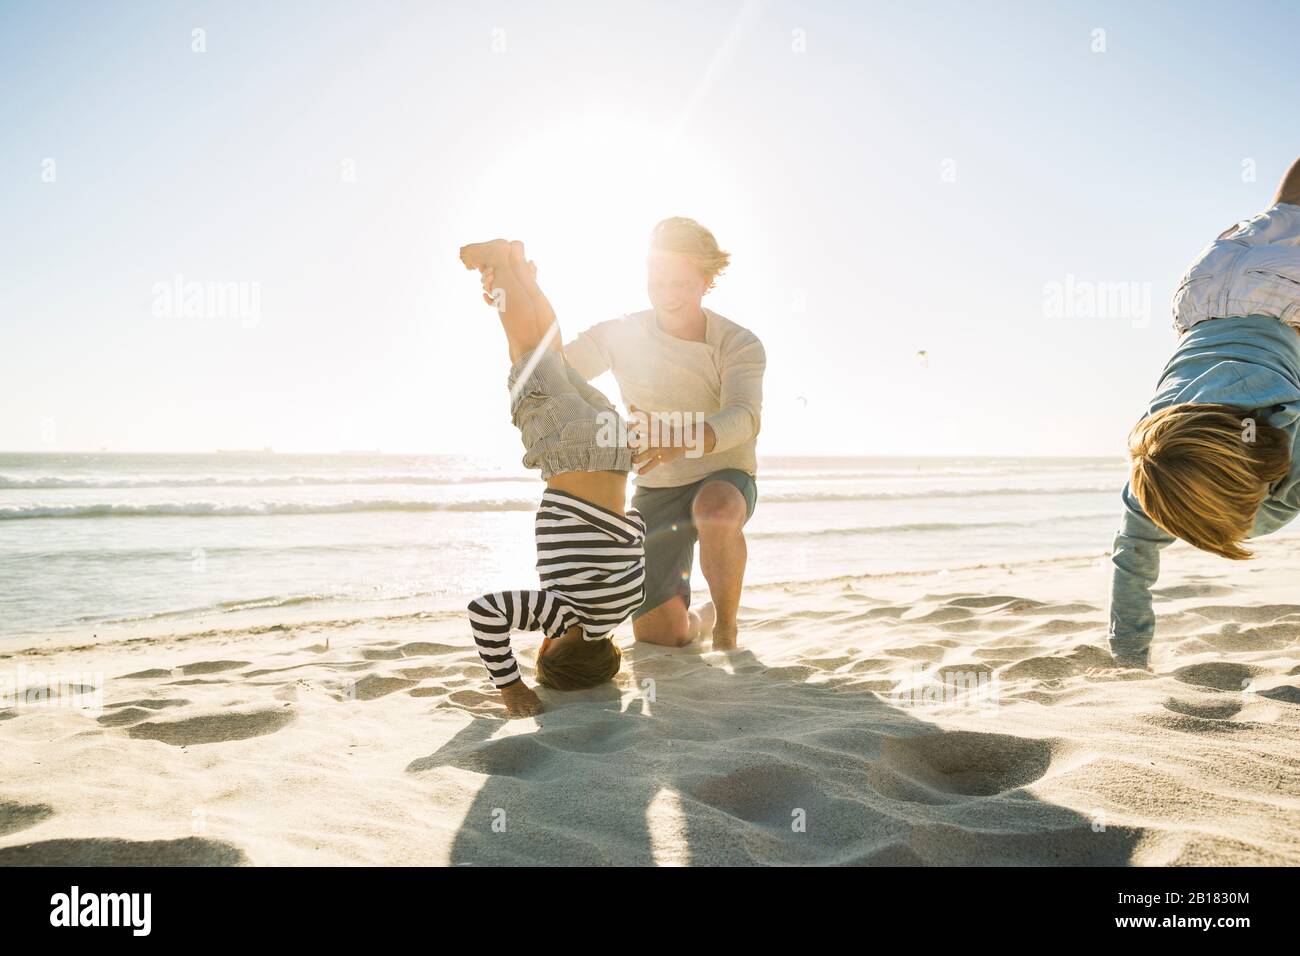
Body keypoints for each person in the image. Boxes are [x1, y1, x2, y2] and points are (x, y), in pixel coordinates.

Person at [476, 217, 765, 651]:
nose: (667, 293)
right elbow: (556, 368)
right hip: (657, 487)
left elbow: (744, 417)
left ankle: (726, 626)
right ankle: (701, 619)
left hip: (723, 474)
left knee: (716, 509)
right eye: (657, 280)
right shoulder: (623, 332)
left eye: (680, 283)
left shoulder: (738, 343)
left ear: (706, 281)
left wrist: (680, 439)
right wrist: (518, 294)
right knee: (661, 635)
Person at [1108, 158, 1300, 669]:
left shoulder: (1289, 431)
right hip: (1206, 288)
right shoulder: (1156, 473)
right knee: (1286, 208)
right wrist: (1128, 659)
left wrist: (1129, 654)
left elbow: (1132, 569)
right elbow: (1130, 566)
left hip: (1283, 294)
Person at [459, 239, 645, 717]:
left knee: (550, 354)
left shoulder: (625, 603)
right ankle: (498, 264)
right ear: (549, 647)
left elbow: (638, 528)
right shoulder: (562, 617)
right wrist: (510, 688)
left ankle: (521, 275)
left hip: (614, 447)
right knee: (524, 354)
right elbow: (485, 612)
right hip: (567, 452)